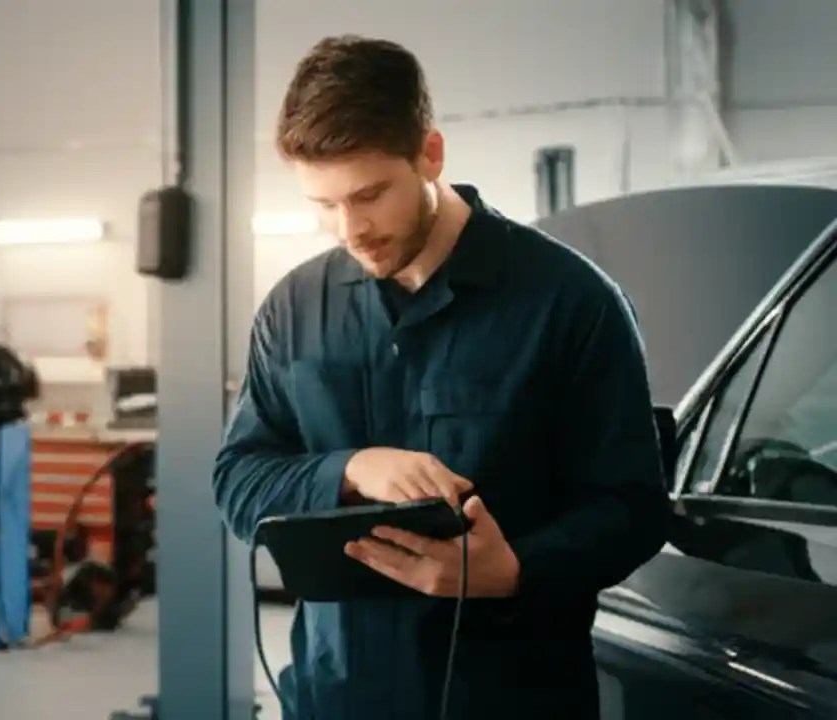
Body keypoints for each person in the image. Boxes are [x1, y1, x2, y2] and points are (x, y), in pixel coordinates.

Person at [212, 35, 669, 719]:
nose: (349, 229)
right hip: (338, 697)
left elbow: (632, 507)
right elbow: (238, 478)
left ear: (430, 153)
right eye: (323, 203)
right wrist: (351, 468)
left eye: (369, 195)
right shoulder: (294, 309)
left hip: (512, 699)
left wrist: (515, 570)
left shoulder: (571, 302)